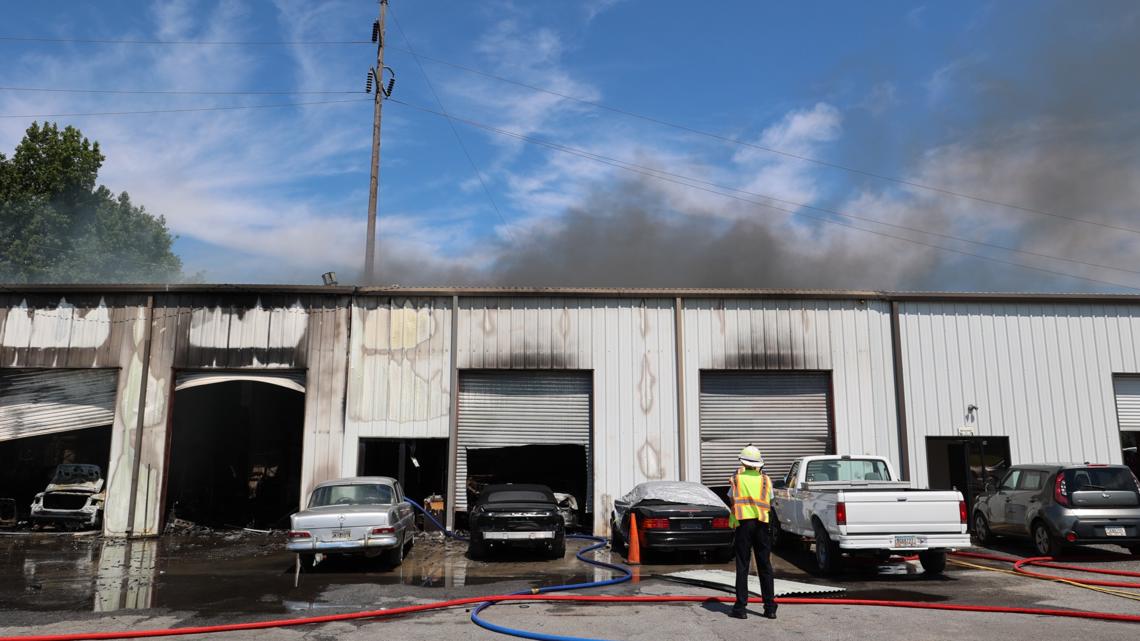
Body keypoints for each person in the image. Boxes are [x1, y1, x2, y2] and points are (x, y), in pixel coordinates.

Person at [727, 444, 777, 620]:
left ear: (742, 462)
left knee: (743, 566)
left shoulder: (736, 479)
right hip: (762, 525)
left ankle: (740, 608)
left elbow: (732, 498)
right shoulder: (766, 480)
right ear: (758, 464)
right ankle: (770, 608)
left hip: (743, 525)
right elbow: (770, 500)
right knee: (765, 566)